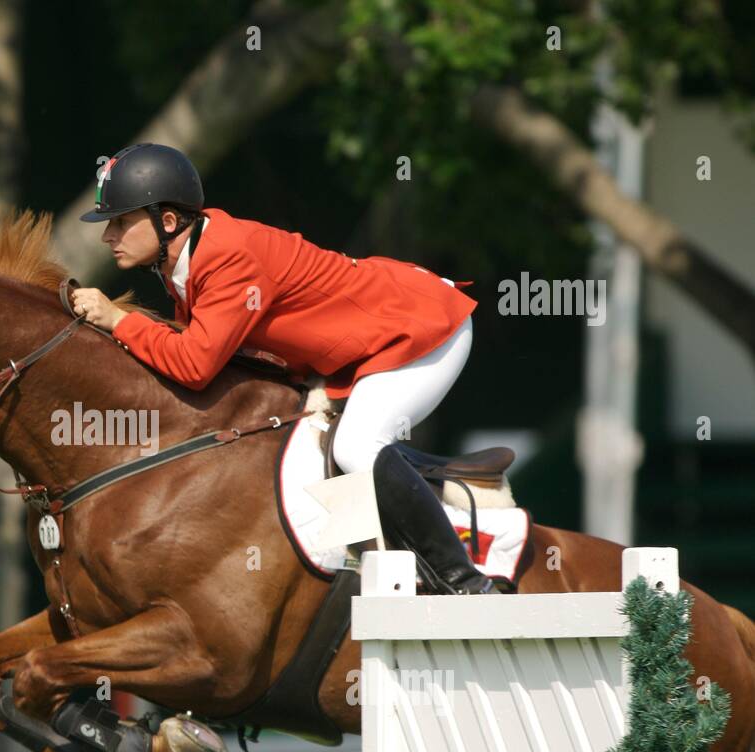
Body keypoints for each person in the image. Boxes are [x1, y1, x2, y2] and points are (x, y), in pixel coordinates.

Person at [71, 143, 496, 595]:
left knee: (355, 446)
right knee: (318, 448)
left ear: (168, 222)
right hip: (361, 349)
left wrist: (119, 320)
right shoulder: (187, 261)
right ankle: (360, 572)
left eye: (119, 221)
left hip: (422, 328)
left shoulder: (226, 256)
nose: (107, 236)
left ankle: (464, 581)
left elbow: (194, 366)